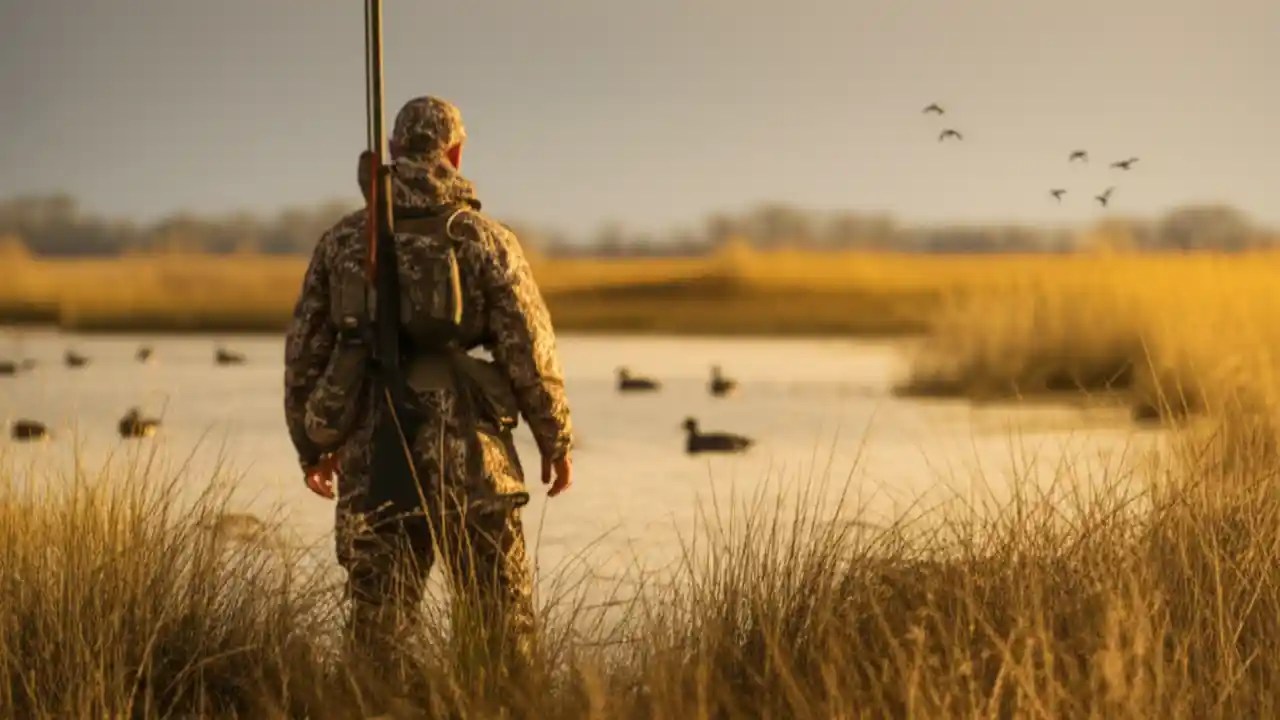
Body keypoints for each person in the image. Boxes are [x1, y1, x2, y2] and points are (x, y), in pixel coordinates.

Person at [283, 96, 574, 681]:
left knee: (376, 637)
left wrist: (313, 446)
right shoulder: (484, 238)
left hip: (371, 453)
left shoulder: (342, 241)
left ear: (393, 151)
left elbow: (305, 353)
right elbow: (528, 350)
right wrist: (555, 438)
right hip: (472, 460)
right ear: (457, 153)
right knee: (501, 630)